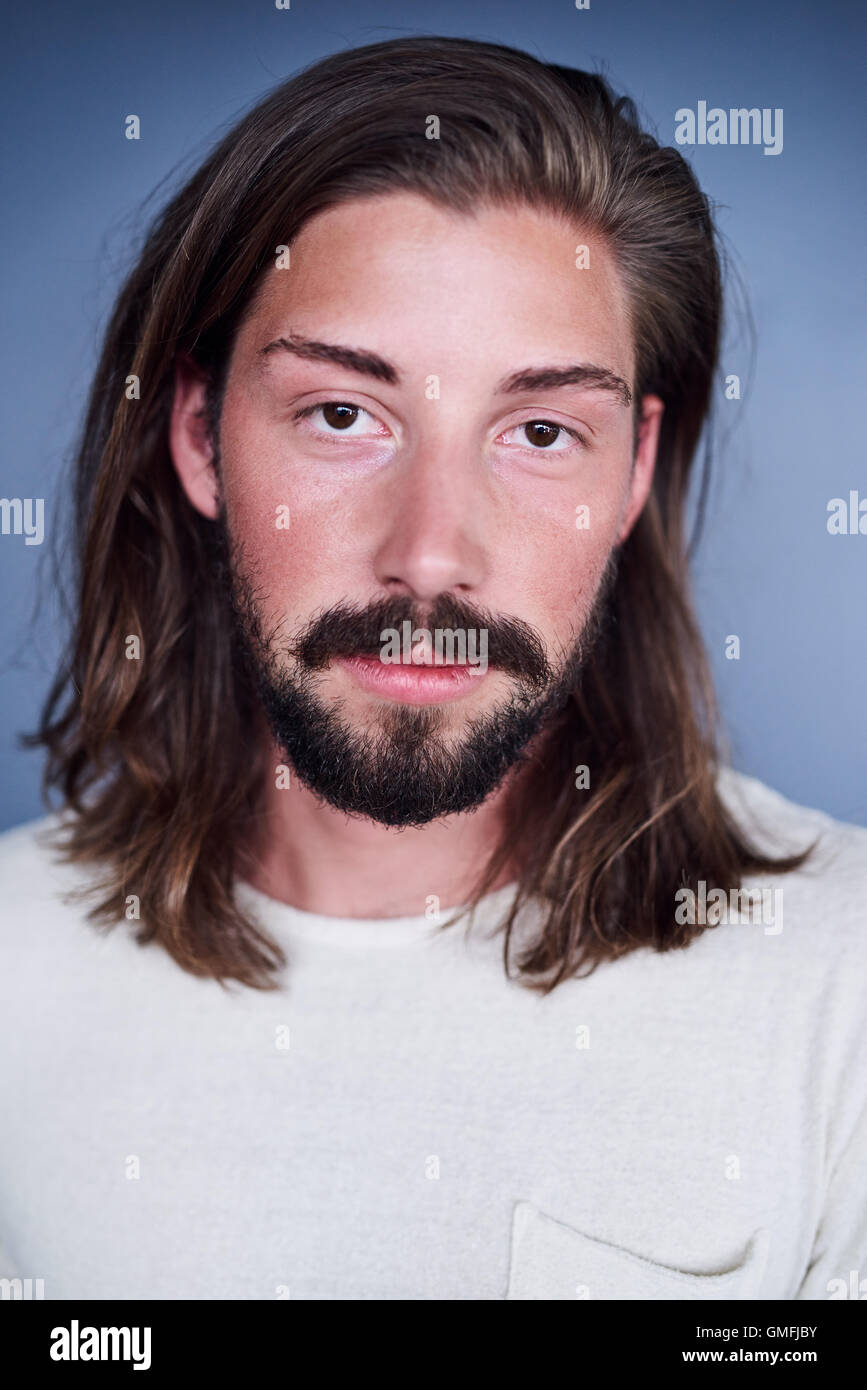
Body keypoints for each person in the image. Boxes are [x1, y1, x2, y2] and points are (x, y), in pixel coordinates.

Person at [1, 35, 864, 1302]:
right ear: (200, 435)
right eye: (344, 415)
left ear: (631, 471)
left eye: (539, 431)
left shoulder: (844, 990)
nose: (430, 558)